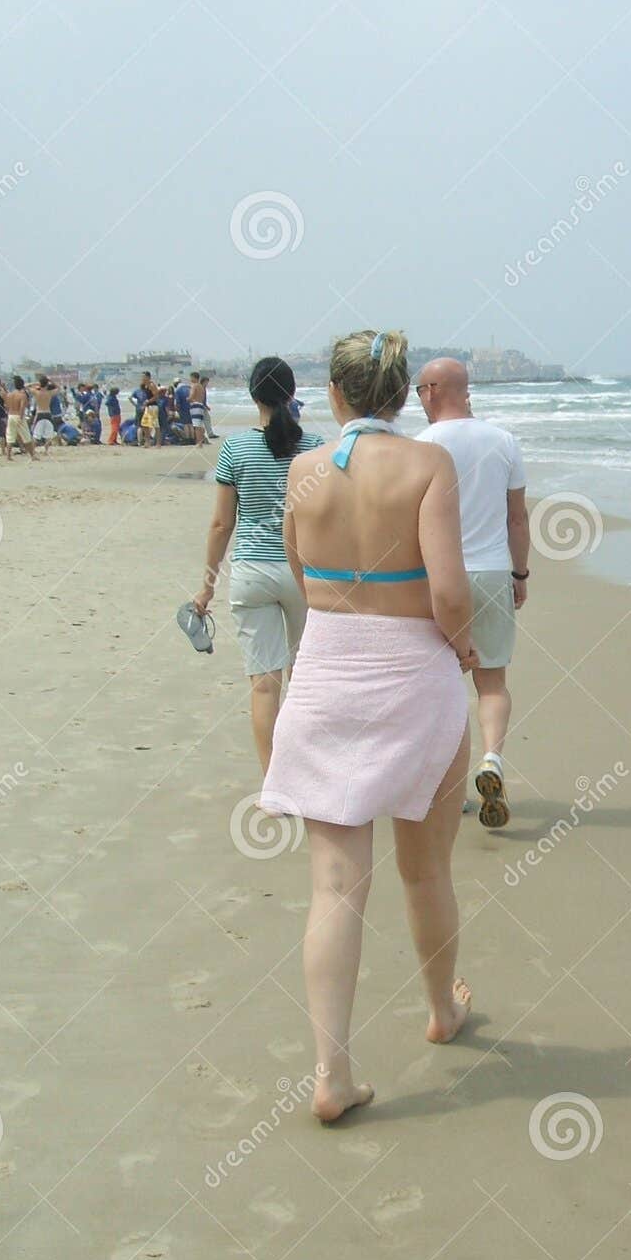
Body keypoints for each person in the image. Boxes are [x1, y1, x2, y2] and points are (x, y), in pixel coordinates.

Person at [256, 330, 478, 1123]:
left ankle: (330, 1073)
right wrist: (464, 648)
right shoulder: (428, 465)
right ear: (399, 394)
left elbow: (298, 571)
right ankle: (443, 1009)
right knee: (426, 871)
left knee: (334, 889)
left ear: (337, 394)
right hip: (412, 676)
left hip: (325, 676)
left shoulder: (303, 470)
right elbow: (449, 594)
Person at [414, 357, 529, 827]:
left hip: (437, 578)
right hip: (491, 572)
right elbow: (517, 518)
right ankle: (492, 760)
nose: (417, 397)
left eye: (420, 389)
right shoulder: (504, 442)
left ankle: (446, 788)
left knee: (440, 687)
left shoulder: (419, 446)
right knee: (493, 682)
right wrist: (519, 575)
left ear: (435, 390)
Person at [193, 357, 323, 771]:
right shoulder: (315, 447)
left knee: (264, 685)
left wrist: (207, 584)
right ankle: (310, 771)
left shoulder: (235, 447)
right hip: (304, 572)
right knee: (304, 681)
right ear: (292, 394)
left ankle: (274, 783)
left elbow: (220, 524)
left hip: (251, 572)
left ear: (253, 395)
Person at [4, 376, 36, 462]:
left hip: (10, 415)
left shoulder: (10, 394)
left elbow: (6, 406)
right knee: (26, 437)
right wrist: (21, 418)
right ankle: (32, 456)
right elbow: (22, 408)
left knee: (10, 436)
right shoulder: (22, 395)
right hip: (18, 415)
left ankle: (8, 456)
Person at [31, 376, 56, 450]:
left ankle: (33, 450)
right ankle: (46, 450)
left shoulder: (36, 392)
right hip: (47, 413)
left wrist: (36, 383)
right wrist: (51, 381)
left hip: (40, 413)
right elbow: (59, 387)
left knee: (36, 434)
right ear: (47, 384)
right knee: (49, 433)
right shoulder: (49, 393)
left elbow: (25, 386)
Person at [188, 371, 209, 445]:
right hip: (200, 406)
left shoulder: (194, 386)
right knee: (200, 425)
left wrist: (188, 399)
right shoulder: (201, 387)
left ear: (194, 377)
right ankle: (200, 441)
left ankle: (198, 443)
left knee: (196, 426)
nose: (190, 379)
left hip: (195, 406)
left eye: (191, 377)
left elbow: (191, 397)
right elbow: (202, 398)